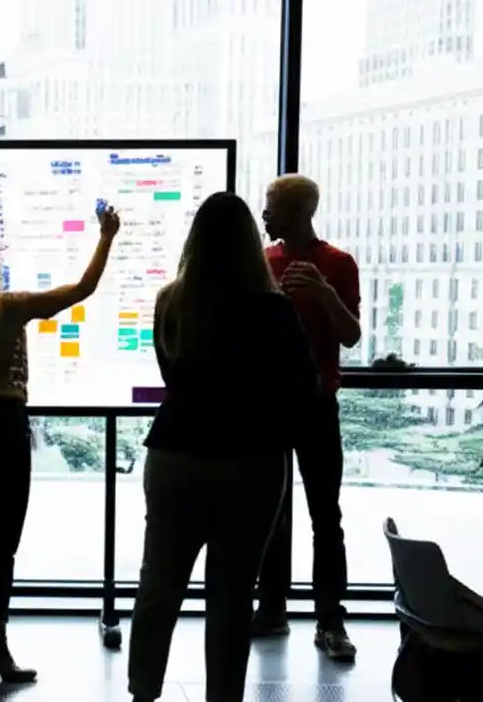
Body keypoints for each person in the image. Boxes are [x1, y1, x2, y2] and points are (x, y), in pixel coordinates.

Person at [126, 192, 317, 702]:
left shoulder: (172, 301)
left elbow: (172, 376)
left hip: (174, 453)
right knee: (231, 597)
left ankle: (142, 691)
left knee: (159, 585)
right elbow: (301, 389)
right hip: (250, 463)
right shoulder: (274, 311)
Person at [0, 206, 119, 683]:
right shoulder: (8, 307)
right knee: (2, 543)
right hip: (2, 426)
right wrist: (107, 237)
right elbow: (82, 290)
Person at [252, 173, 362, 662]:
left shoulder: (338, 264)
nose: (264, 215)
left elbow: (352, 336)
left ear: (297, 214)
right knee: (269, 515)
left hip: (318, 407)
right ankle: (271, 609)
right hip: (272, 407)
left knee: (326, 516)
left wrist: (324, 293)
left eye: (271, 208)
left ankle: (330, 620)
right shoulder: (263, 262)